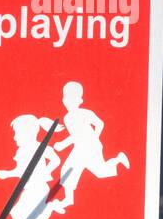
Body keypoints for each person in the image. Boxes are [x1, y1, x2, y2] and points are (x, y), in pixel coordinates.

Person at [0, 115, 62, 219]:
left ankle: (49, 209)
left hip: (38, 187)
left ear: (28, 132)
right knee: (18, 213)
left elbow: (56, 159)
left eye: (17, 133)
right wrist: (7, 174)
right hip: (31, 188)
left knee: (21, 214)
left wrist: (45, 172)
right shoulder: (21, 151)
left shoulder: (40, 147)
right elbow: (21, 171)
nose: (14, 137)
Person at [54, 81, 128, 209]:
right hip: (80, 148)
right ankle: (68, 199)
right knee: (68, 170)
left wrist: (94, 137)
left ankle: (118, 159)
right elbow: (77, 136)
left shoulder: (85, 113)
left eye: (72, 98)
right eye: (65, 98)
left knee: (101, 172)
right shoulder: (67, 117)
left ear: (80, 100)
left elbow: (100, 123)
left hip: (91, 147)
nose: (67, 101)